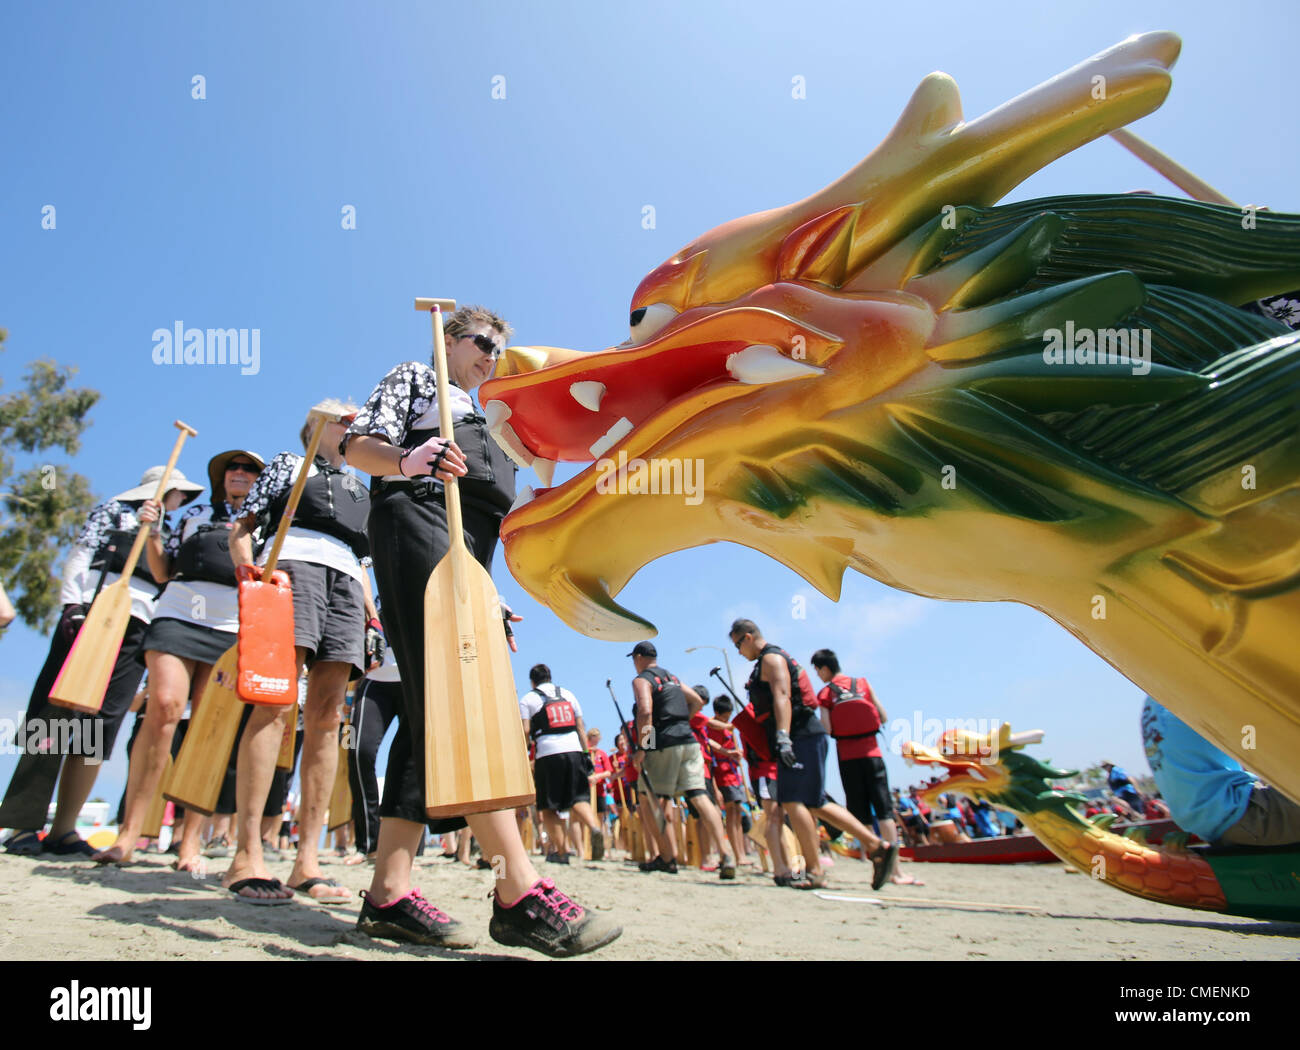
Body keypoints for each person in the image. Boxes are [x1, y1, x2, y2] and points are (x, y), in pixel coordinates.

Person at [343, 304, 619, 956]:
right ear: (449, 338)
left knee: (423, 715)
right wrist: (409, 459)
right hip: (413, 521)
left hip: (468, 565)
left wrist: (487, 598)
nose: (490, 354)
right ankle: (517, 889)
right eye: (481, 341)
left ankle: (387, 895)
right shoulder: (417, 377)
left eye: (499, 347)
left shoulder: (496, 418)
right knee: (453, 699)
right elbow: (357, 444)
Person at [0, 467, 204, 857]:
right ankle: (22, 823)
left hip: (141, 622)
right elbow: (80, 554)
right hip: (94, 610)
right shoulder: (112, 511)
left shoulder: (174, 526)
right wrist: (72, 605)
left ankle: (64, 828)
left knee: (101, 724)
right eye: (179, 493)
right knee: (55, 714)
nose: (181, 500)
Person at [226, 401, 376, 905]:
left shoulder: (361, 485)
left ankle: (306, 861)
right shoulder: (290, 465)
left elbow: (364, 559)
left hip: (348, 582)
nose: (351, 423)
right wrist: (249, 575)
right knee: (274, 702)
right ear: (315, 425)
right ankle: (246, 853)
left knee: (329, 717)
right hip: (291, 568)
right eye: (341, 417)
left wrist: (372, 616)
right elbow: (243, 528)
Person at [93, 451, 266, 871]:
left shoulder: (268, 522)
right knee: (165, 707)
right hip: (179, 610)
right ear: (221, 477)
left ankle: (189, 841)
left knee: (208, 727)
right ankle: (129, 834)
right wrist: (151, 532)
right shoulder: (194, 514)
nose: (240, 474)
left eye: (249, 470)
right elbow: (163, 570)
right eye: (233, 468)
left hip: (231, 622)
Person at [728, 619, 894, 889]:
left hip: (799, 735)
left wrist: (782, 737)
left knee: (794, 802)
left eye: (738, 645)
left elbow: (782, 695)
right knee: (814, 802)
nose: (738, 652)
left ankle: (815, 870)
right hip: (802, 735)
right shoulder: (770, 659)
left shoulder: (771, 659)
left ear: (748, 637)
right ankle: (876, 845)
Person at [626, 642, 736, 879]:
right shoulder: (672, 678)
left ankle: (667, 857)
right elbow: (697, 701)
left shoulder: (642, 680)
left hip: (663, 744)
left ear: (638, 657)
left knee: (650, 799)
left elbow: (645, 712)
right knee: (699, 796)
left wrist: (644, 746)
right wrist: (681, 720)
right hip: (689, 741)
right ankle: (726, 854)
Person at [1141, 696, 1300, 847]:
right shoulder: (1198, 688)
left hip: (1209, 823)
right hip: (1242, 813)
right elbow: (1256, 747)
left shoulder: (1154, 699)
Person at [809, 649, 899, 856]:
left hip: (848, 757)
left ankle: (871, 858)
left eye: (817, 671)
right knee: (884, 809)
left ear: (823, 669)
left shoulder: (825, 693)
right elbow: (882, 716)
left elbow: (827, 729)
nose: (818, 676)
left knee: (859, 812)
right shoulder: (863, 683)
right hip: (873, 754)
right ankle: (895, 865)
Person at [518, 664, 603, 864]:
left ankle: (562, 852)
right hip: (573, 749)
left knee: (548, 807)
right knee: (578, 798)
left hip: (548, 752)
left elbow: (525, 730)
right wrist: (585, 754)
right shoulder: (568, 694)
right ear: (550, 677)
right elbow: (581, 726)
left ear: (532, 681)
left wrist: (525, 750)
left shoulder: (528, 699)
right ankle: (594, 827)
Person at [704, 694, 749, 867]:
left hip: (733, 773)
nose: (727, 720)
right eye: (724, 716)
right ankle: (737, 854)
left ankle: (742, 854)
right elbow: (711, 749)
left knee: (737, 814)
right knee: (730, 815)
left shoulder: (730, 729)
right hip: (721, 774)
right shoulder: (711, 726)